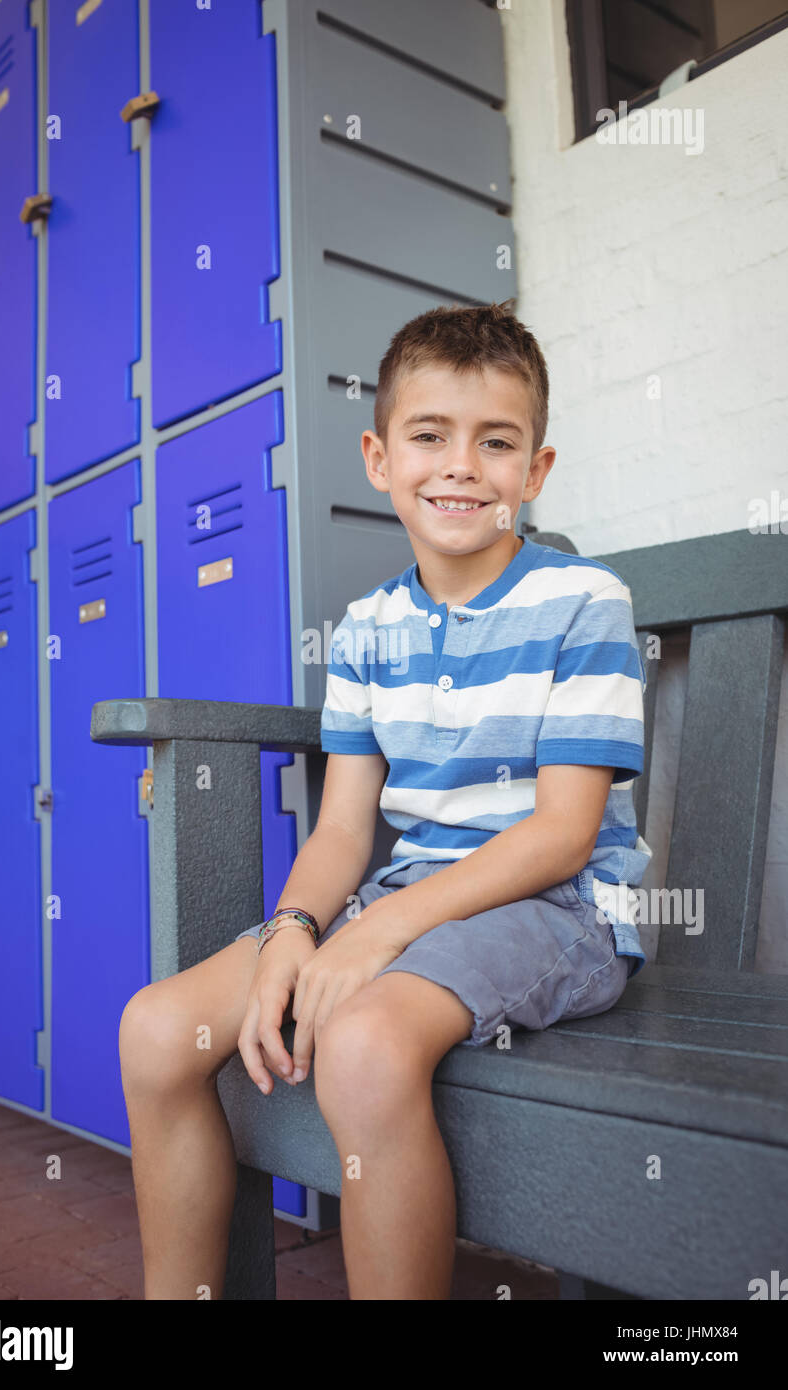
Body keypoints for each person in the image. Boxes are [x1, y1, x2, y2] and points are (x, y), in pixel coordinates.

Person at [118, 300, 652, 1301]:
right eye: (428, 436)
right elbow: (343, 827)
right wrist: (294, 927)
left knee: (361, 1044)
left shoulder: (583, 601)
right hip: (403, 901)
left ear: (532, 472)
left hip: (555, 909)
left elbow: (561, 833)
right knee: (155, 1030)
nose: (458, 465)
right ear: (377, 458)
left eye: (494, 442)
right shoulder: (365, 630)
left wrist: (374, 935)